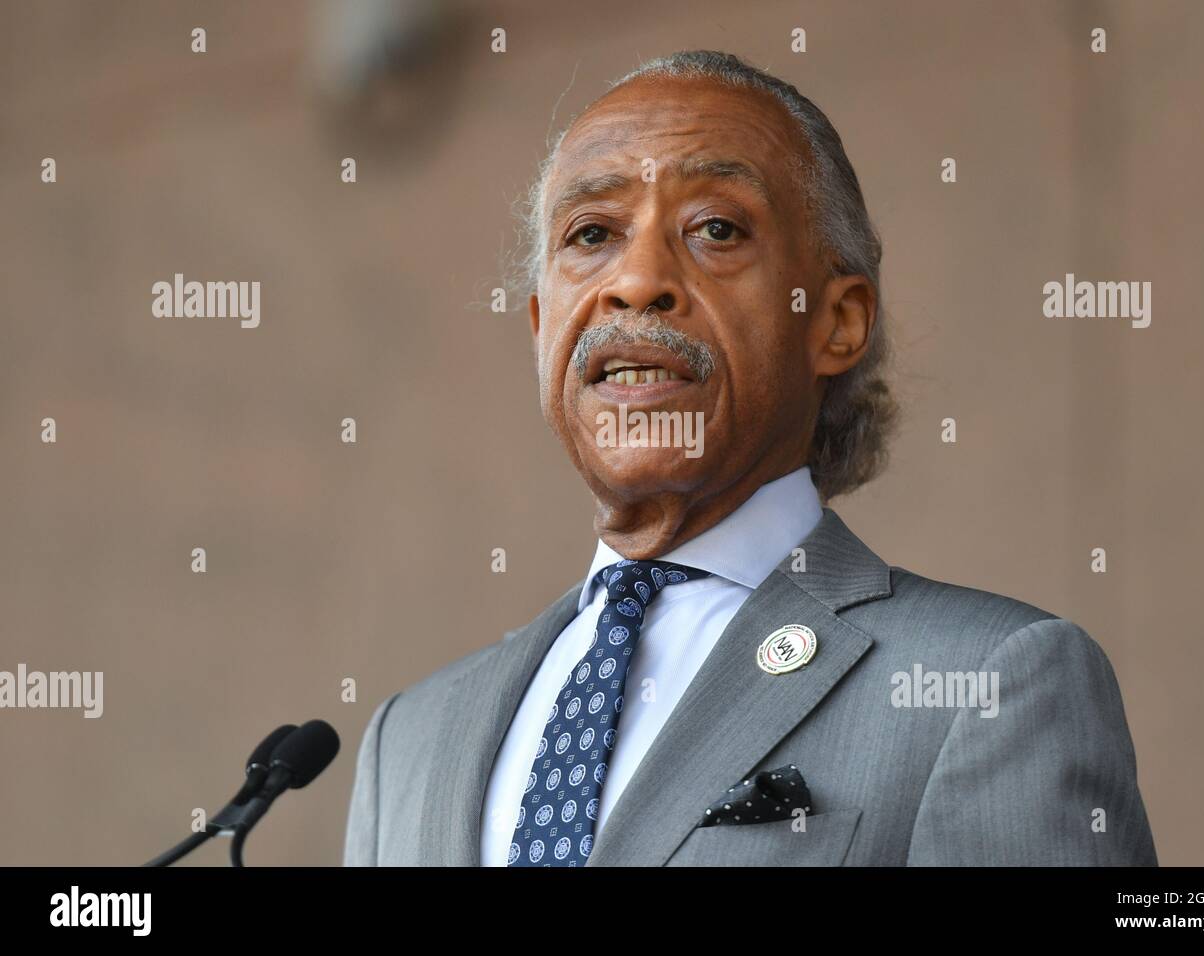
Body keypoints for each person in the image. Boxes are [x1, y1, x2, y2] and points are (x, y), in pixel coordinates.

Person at [343, 50, 1157, 866]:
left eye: (716, 229)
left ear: (837, 322)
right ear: (540, 328)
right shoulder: (407, 740)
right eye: (592, 234)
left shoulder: (990, 683)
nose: (637, 281)